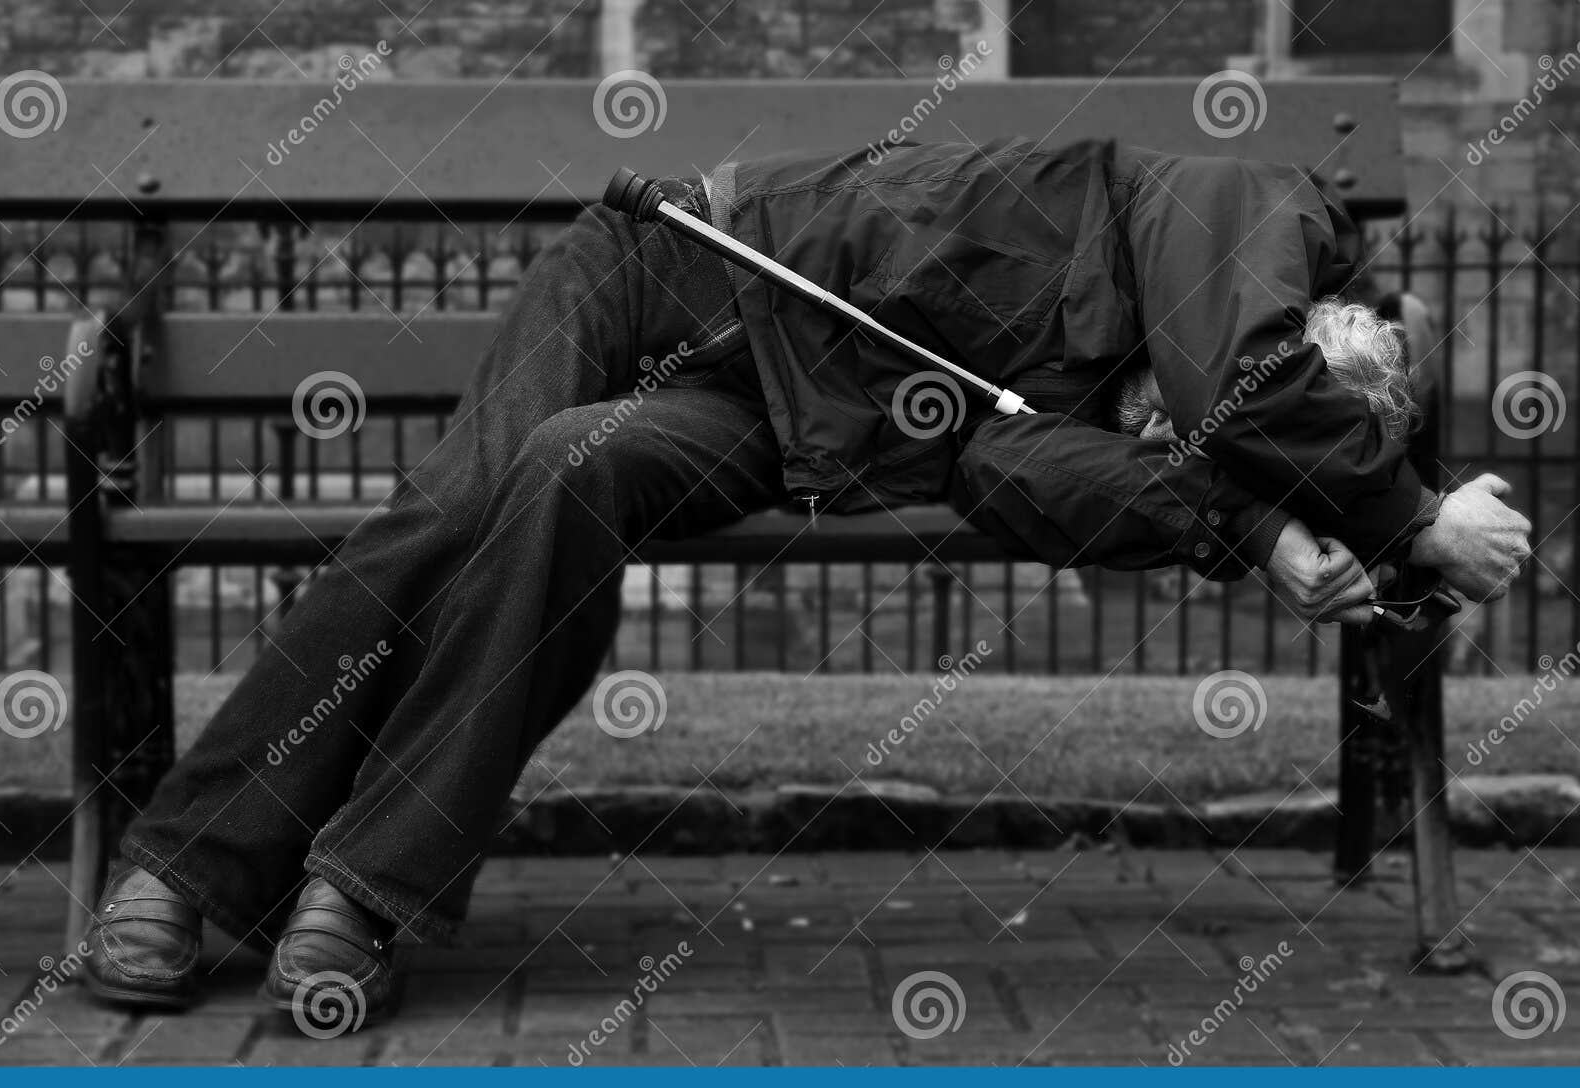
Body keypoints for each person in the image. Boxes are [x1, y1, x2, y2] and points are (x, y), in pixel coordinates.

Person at [82, 140, 1530, 1022]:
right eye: (1218, 420)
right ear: (1313, 321)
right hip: (669, 273)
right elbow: (1244, 385)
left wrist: (1248, 527)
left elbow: (1009, 478)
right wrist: (1403, 521)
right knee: (455, 501)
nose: (1170, 429)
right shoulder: (1237, 206)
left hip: (789, 428)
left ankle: (360, 887)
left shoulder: (1141, 396)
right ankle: (186, 866)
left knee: (569, 481)